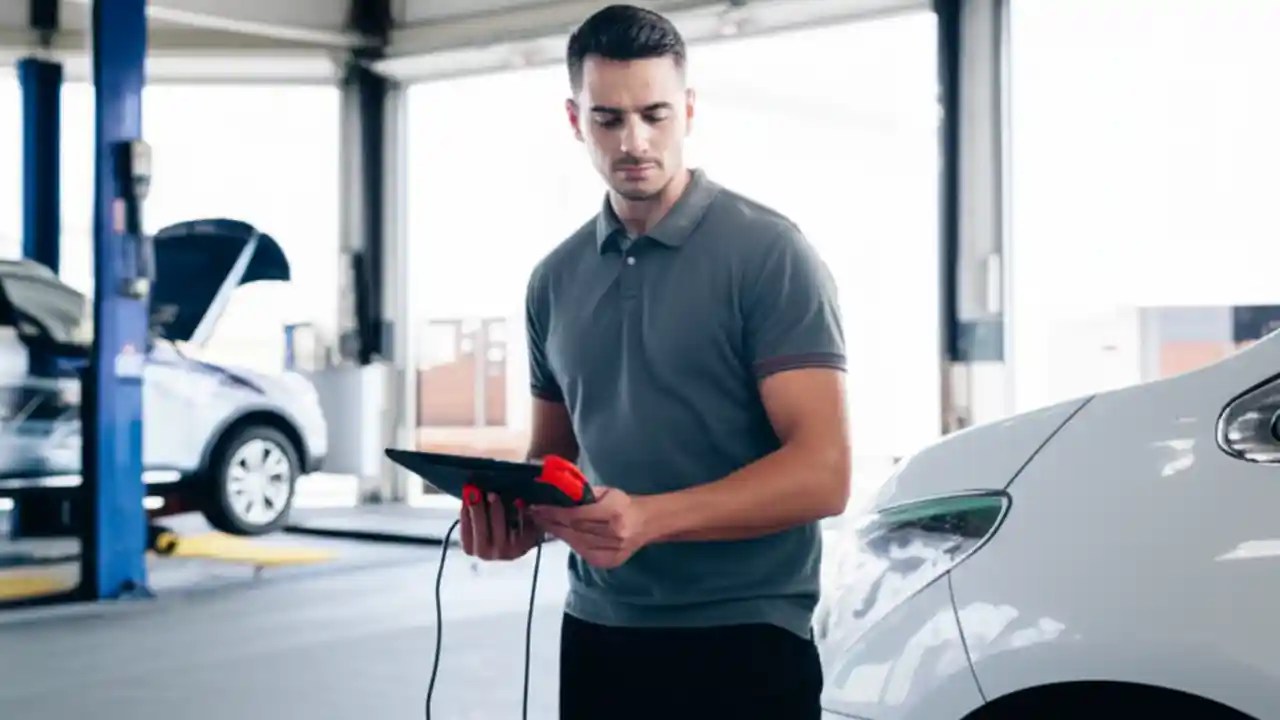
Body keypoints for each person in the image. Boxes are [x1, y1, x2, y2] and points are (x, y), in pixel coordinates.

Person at [458, 4, 851, 718]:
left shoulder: (769, 254)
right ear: (576, 120)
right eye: (608, 118)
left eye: (655, 114)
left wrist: (649, 519)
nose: (633, 140)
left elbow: (824, 474)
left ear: (690, 111)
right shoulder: (555, 279)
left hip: (747, 637)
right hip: (600, 634)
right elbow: (553, 459)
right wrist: (517, 521)